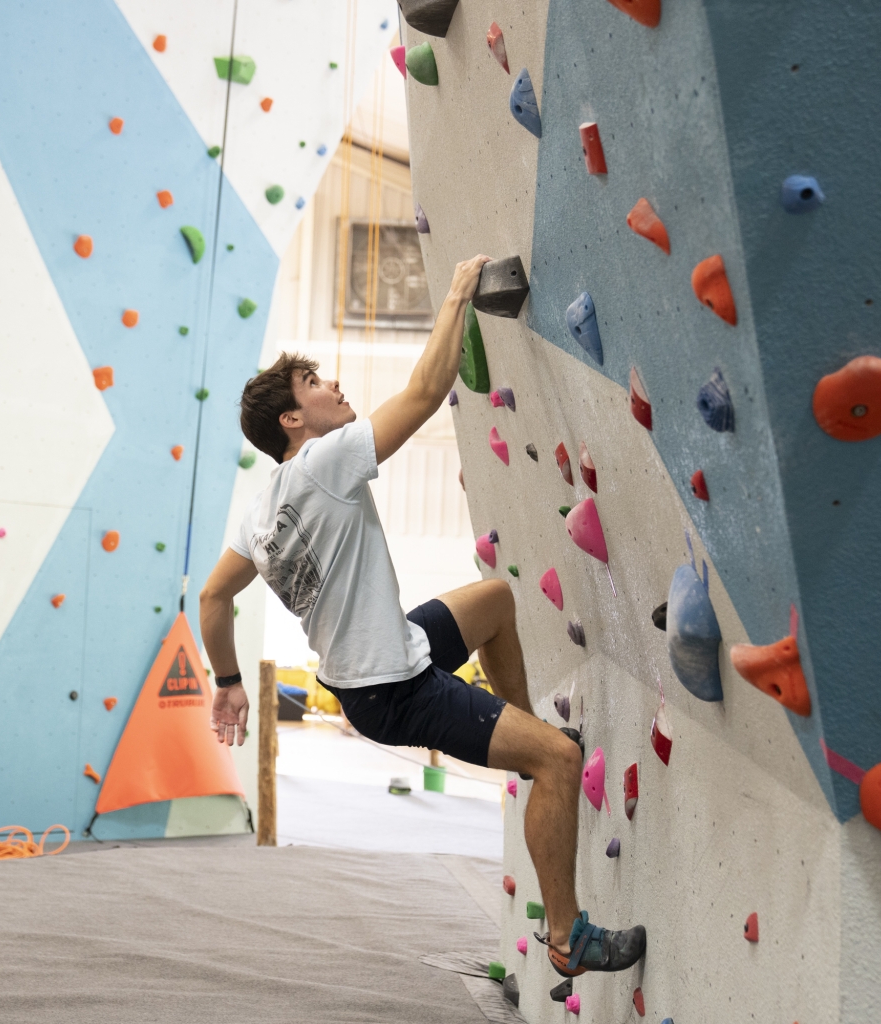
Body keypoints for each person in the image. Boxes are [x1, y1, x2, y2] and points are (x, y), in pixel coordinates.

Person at [197, 255, 645, 980]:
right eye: (315, 384)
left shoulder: (260, 511)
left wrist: (226, 680)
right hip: (394, 687)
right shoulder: (322, 462)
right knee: (561, 761)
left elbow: (213, 598)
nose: (333, 387)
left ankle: (523, 739)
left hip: (378, 661)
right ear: (291, 419)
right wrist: (459, 290)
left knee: (495, 601)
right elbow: (427, 391)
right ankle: (570, 938)